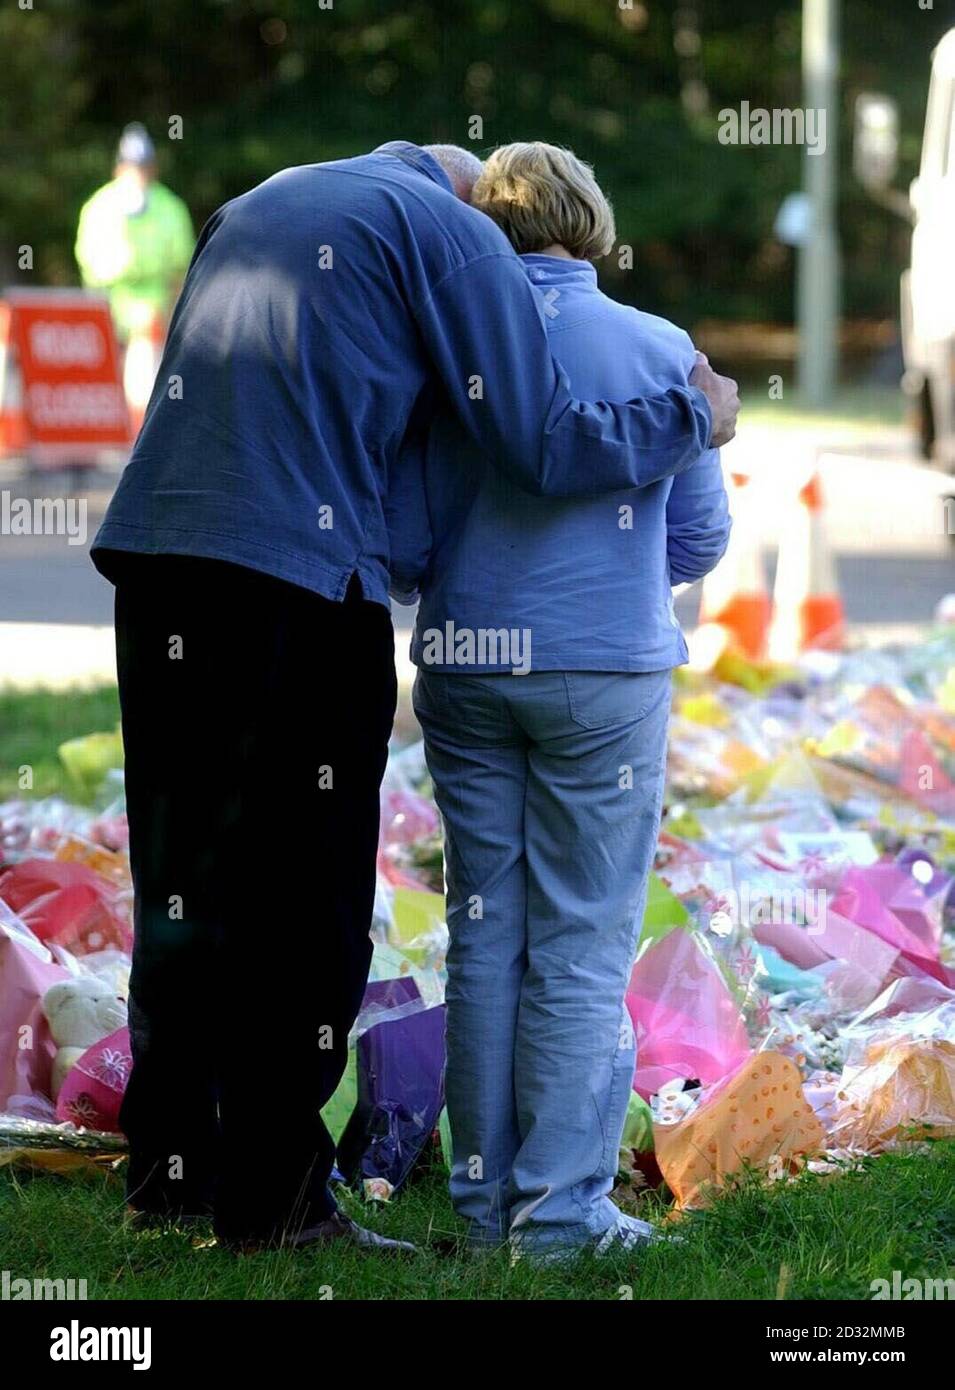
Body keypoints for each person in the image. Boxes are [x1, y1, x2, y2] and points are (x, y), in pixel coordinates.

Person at [90, 140, 739, 1254]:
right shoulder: (453, 234)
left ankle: (173, 1168)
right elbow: (536, 435)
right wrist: (693, 417)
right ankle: (282, 1202)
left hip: (158, 551)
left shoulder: (260, 199)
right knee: (308, 897)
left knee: (183, 875)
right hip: (296, 573)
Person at [390, 142, 732, 1261]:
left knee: (485, 932)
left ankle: (483, 1208)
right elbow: (696, 539)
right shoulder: (659, 347)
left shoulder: (442, 356)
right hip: (603, 670)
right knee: (583, 939)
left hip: (465, 665)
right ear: (591, 223)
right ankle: (561, 1214)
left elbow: (404, 540)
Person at [75, 123, 194, 419]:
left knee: (145, 354)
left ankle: (139, 425)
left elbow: (182, 270)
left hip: (153, 313)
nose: (137, 174)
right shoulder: (98, 207)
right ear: (118, 169)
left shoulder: (171, 208)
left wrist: (173, 317)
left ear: (152, 169)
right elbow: (89, 264)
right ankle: (102, 422)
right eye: (131, 166)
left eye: (142, 167)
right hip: (105, 308)